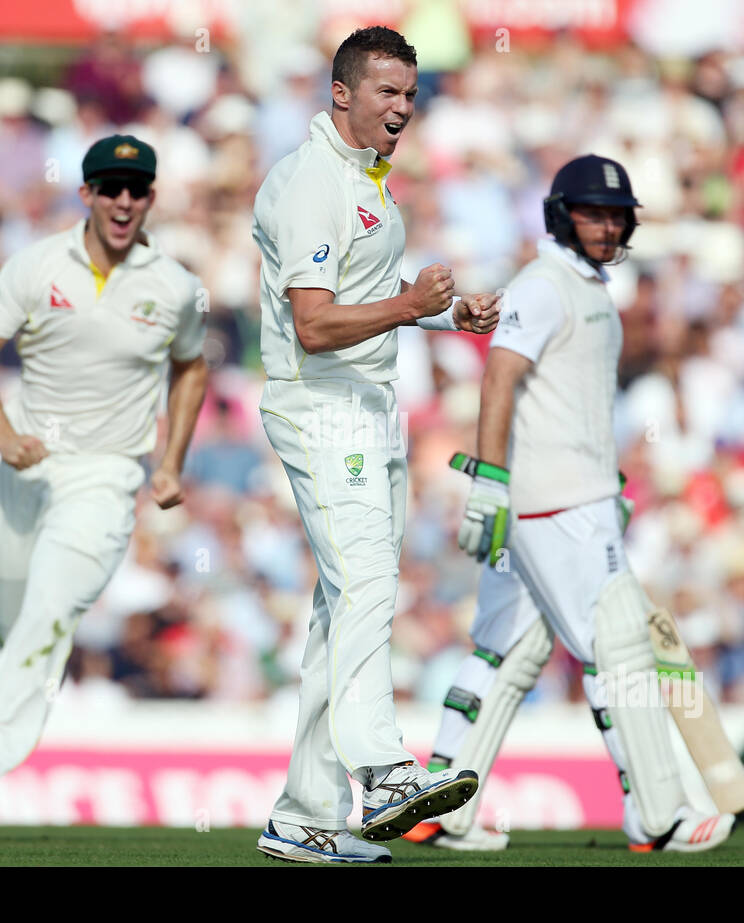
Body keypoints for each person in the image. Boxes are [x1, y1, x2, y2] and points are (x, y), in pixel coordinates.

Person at [405, 155, 738, 853]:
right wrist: (490, 480)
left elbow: (572, 404)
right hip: (545, 507)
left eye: (616, 214)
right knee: (616, 645)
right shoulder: (544, 285)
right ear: (562, 215)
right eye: (593, 212)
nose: (607, 225)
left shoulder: (588, 288)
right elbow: (500, 376)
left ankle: (441, 807)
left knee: (509, 648)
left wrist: (607, 485)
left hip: (574, 500)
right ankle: (658, 812)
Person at [251, 26, 501, 864]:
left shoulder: (367, 179)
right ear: (343, 94)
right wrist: (405, 309)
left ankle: (305, 814)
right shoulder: (313, 181)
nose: (402, 107)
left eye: (409, 93)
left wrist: (443, 312)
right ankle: (385, 768)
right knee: (365, 586)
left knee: (340, 611)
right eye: (386, 92)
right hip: (321, 406)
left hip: (368, 407)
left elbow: (362, 294)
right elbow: (315, 324)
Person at [0, 134, 209, 832]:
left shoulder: (175, 287)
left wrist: (170, 460)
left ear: (150, 198)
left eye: (136, 189)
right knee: (17, 623)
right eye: (110, 187)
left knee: (53, 608)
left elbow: (192, 368)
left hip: (106, 475)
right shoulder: (34, 265)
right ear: (85, 194)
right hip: (26, 467)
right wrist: (2, 436)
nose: (123, 201)